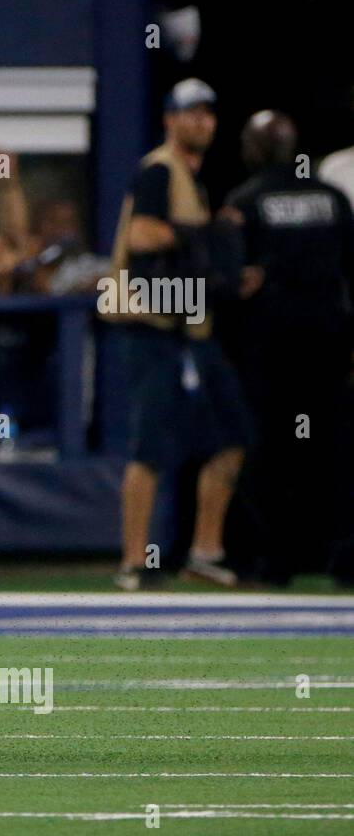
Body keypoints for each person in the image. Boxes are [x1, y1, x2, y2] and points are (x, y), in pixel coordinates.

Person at [105, 78, 252, 590]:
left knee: (231, 435)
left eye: (208, 113)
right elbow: (144, 235)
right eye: (190, 113)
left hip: (189, 329)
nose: (201, 121)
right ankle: (132, 561)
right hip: (151, 326)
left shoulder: (193, 178)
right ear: (170, 118)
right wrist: (208, 234)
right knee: (149, 445)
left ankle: (205, 550)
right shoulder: (159, 169)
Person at [223, 110, 354, 584]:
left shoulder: (246, 201)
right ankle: (343, 556)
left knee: (269, 452)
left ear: (257, 148)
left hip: (271, 351)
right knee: (336, 448)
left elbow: (232, 282)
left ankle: (273, 560)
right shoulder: (332, 198)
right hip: (329, 347)